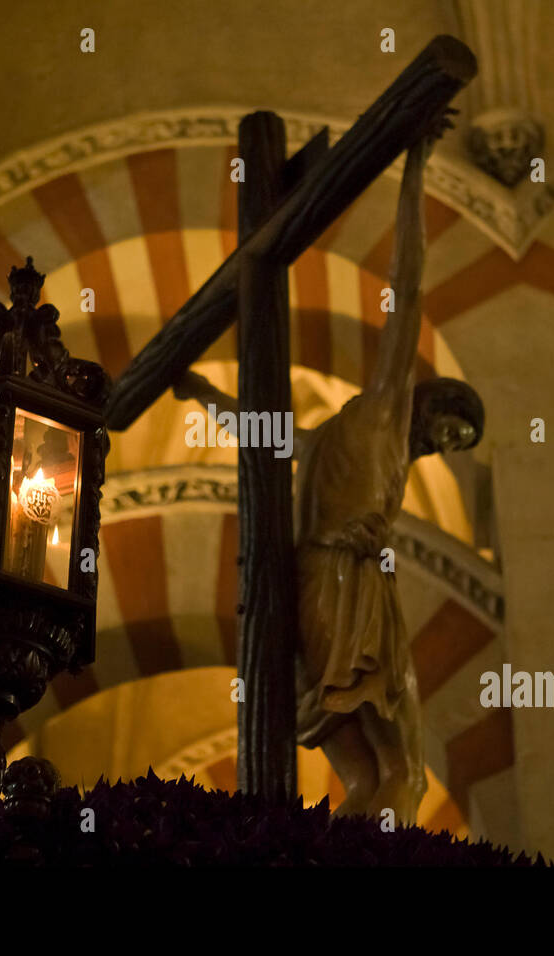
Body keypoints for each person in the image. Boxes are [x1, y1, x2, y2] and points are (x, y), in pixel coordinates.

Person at [174, 116, 482, 823]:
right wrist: (413, 169)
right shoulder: (381, 410)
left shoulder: (326, 439)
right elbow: (409, 287)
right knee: (405, 773)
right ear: (429, 402)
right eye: (448, 429)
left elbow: (261, 433)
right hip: (350, 585)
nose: (441, 445)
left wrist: (202, 395)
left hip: (315, 586)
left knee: (364, 781)